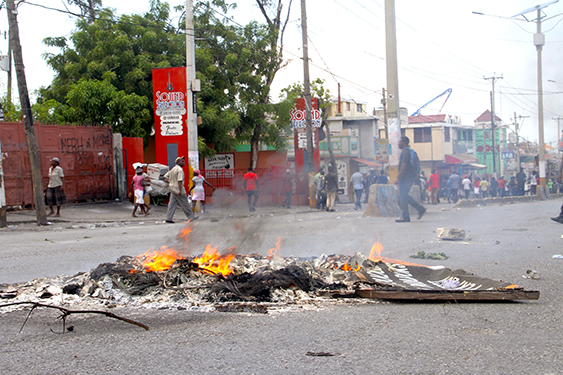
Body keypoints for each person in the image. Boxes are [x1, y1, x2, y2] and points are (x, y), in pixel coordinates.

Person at [395, 136, 425, 223]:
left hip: (406, 177)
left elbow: (404, 165)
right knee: (404, 195)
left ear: (404, 142)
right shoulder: (409, 151)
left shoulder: (405, 152)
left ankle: (405, 216)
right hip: (410, 177)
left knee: (402, 196)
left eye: (400, 142)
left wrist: (398, 177)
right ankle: (420, 209)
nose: (398, 143)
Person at [163, 156, 198, 223]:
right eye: (182, 161)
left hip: (173, 189)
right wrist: (180, 190)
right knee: (185, 203)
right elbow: (180, 180)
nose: (183, 162)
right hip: (178, 189)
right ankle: (191, 216)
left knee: (172, 204)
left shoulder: (173, 169)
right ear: (178, 162)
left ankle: (168, 218)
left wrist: (170, 182)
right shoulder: (179, 170)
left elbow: (165, 176)